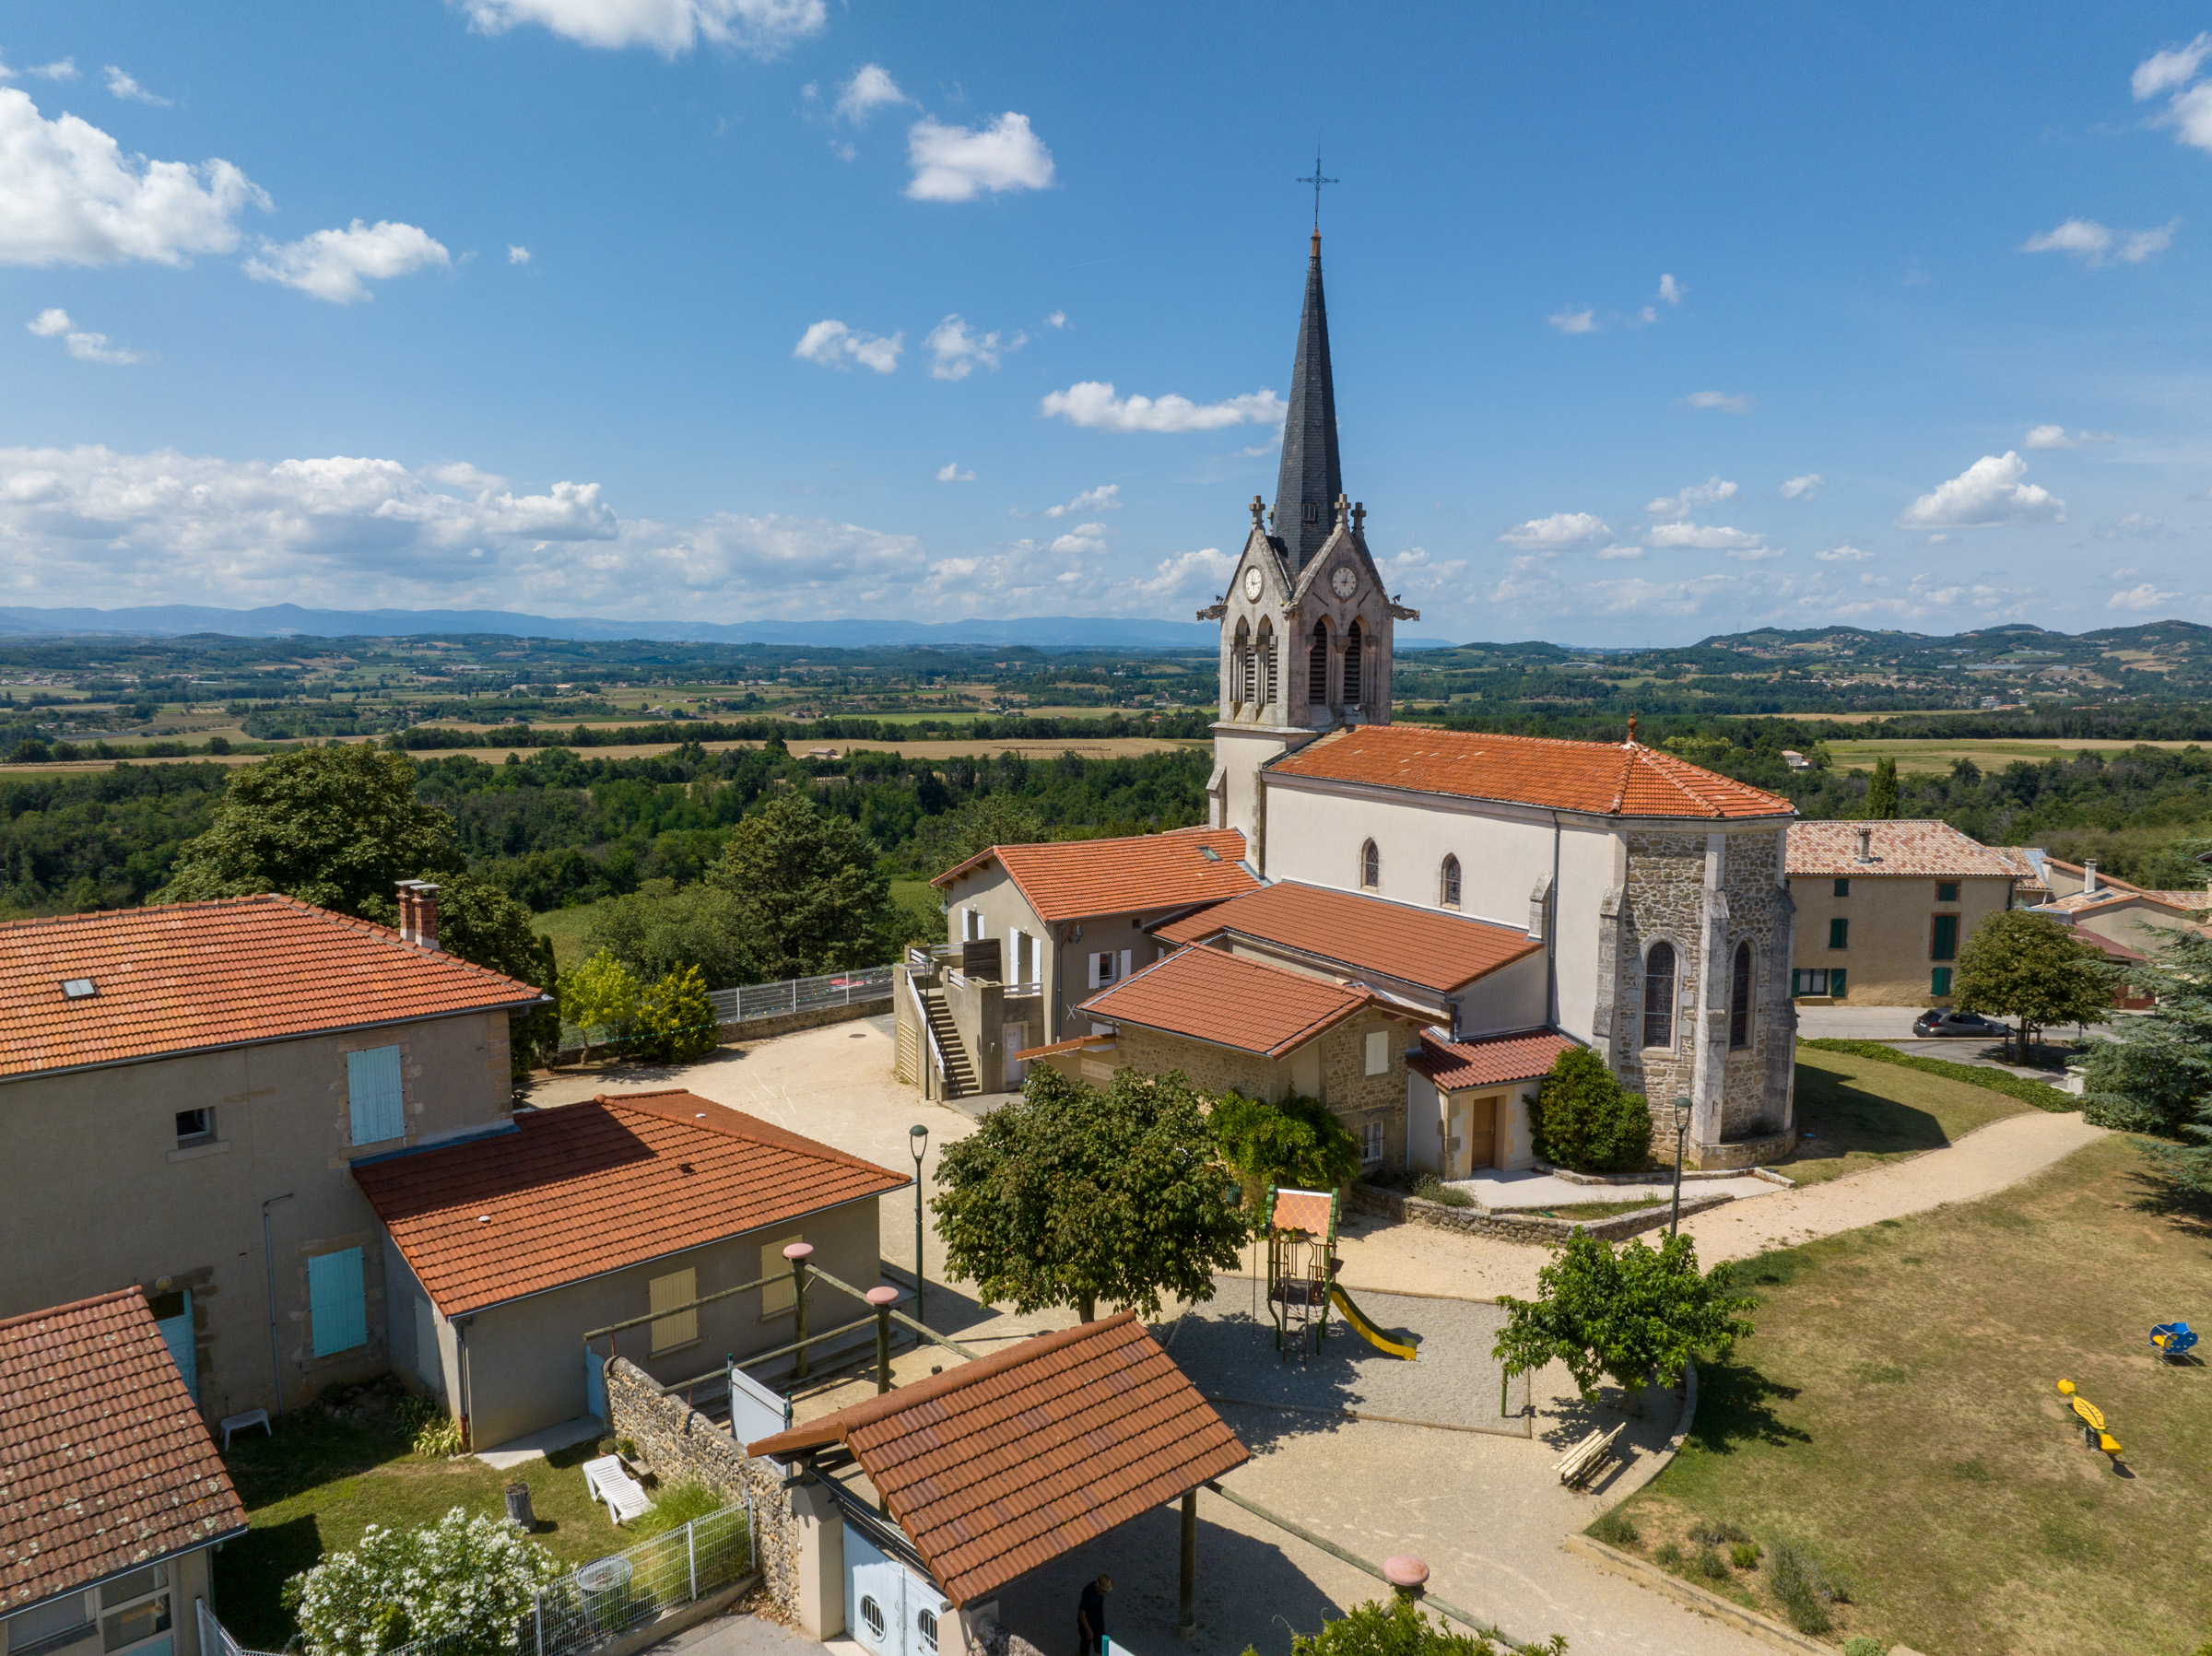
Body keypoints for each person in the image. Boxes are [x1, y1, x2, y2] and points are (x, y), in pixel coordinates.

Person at [1077, 1574, 1112, 1656]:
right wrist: (1088, 1629)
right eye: (1104, 1591)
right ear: (1099, 1587)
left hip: (1098, 1620)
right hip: (1088, 1622)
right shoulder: (1088, 1594)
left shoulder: (1100, 1593)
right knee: (1086, 1642)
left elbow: (1100, 1604)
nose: (1105, 1593)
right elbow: (1081, 1613)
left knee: (1102, 1642)